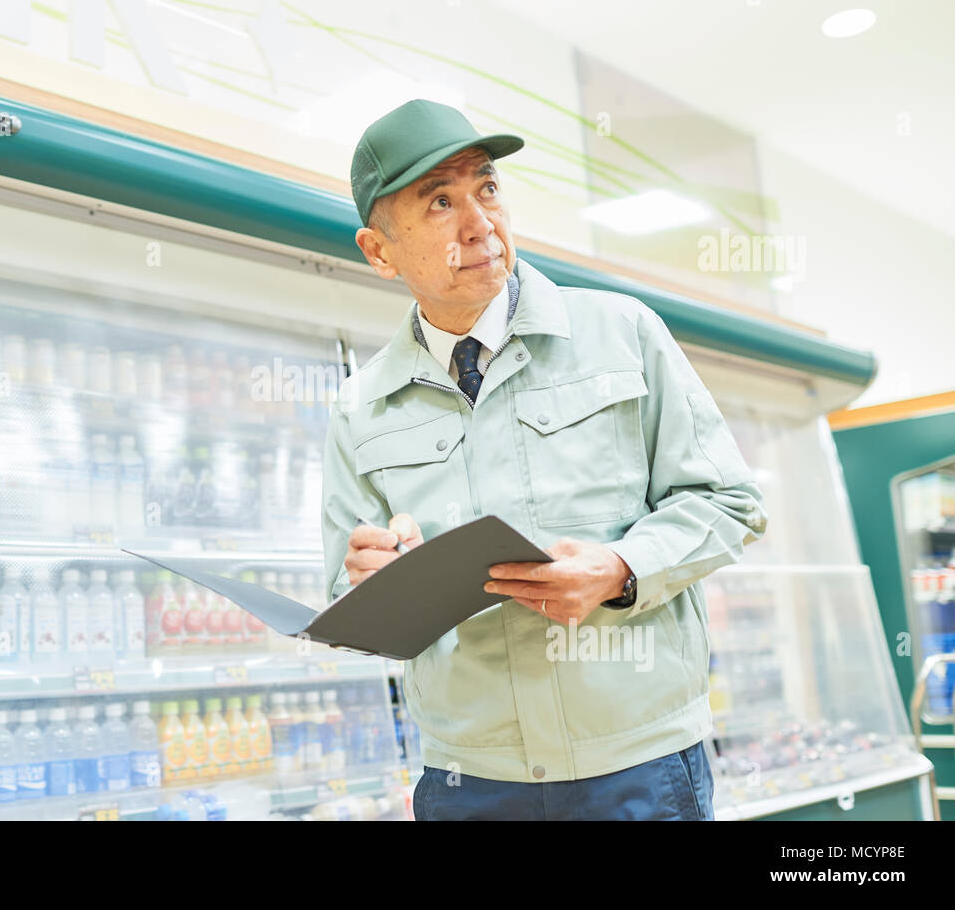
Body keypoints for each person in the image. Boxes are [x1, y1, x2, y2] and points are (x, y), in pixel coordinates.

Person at [321, 99, 768, 820]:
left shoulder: (624, 333)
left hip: (636, 763)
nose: (479, 223)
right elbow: (340, 601)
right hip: (470, 780)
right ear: (379, 250)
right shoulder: (359, 406)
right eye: (440, 202)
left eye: (487, 188)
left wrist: (620, 570)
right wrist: (373, 578)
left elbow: (728, 500)